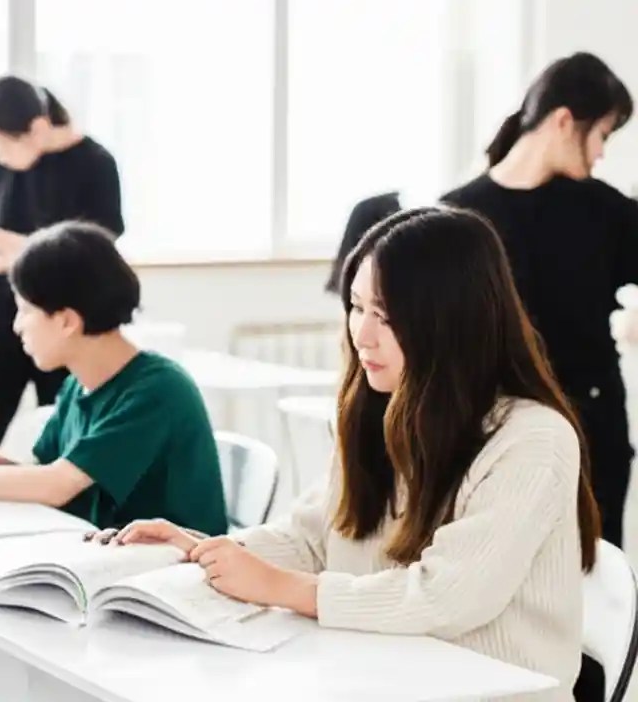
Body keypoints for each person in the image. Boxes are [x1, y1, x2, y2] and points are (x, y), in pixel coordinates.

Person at [94, 207, 602, 702]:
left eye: (386, 314)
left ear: (452, 320)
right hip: (378, 676)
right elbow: (314, 537)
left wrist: (283, 588)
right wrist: (199, 551)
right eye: (357, 307)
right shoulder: (380, 412)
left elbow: (447, 598)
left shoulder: (532, 438)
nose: (362, 333)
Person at [0, 221, 228, 537]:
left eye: (25, 311)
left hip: (168, 578)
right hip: (110, 563)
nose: (17, 326)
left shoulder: (156, 390)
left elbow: (57, 485)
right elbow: (45, 475)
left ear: (67, 320)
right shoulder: (77, 386)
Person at [441, 51, 637, 550]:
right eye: (604, 135)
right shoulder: (460, 216)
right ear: (564, 121)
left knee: (597, 590)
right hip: (497, 436)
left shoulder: (602, 211)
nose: (601, 154)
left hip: (593, 435)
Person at [0, 75, 124, 445]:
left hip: (61, 319)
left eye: (4, 144)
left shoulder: (96, 165)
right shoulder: (8, 165)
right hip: (1, 314)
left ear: (38, 129)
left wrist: (24, 250)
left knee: (62, 428)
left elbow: (96, 253)